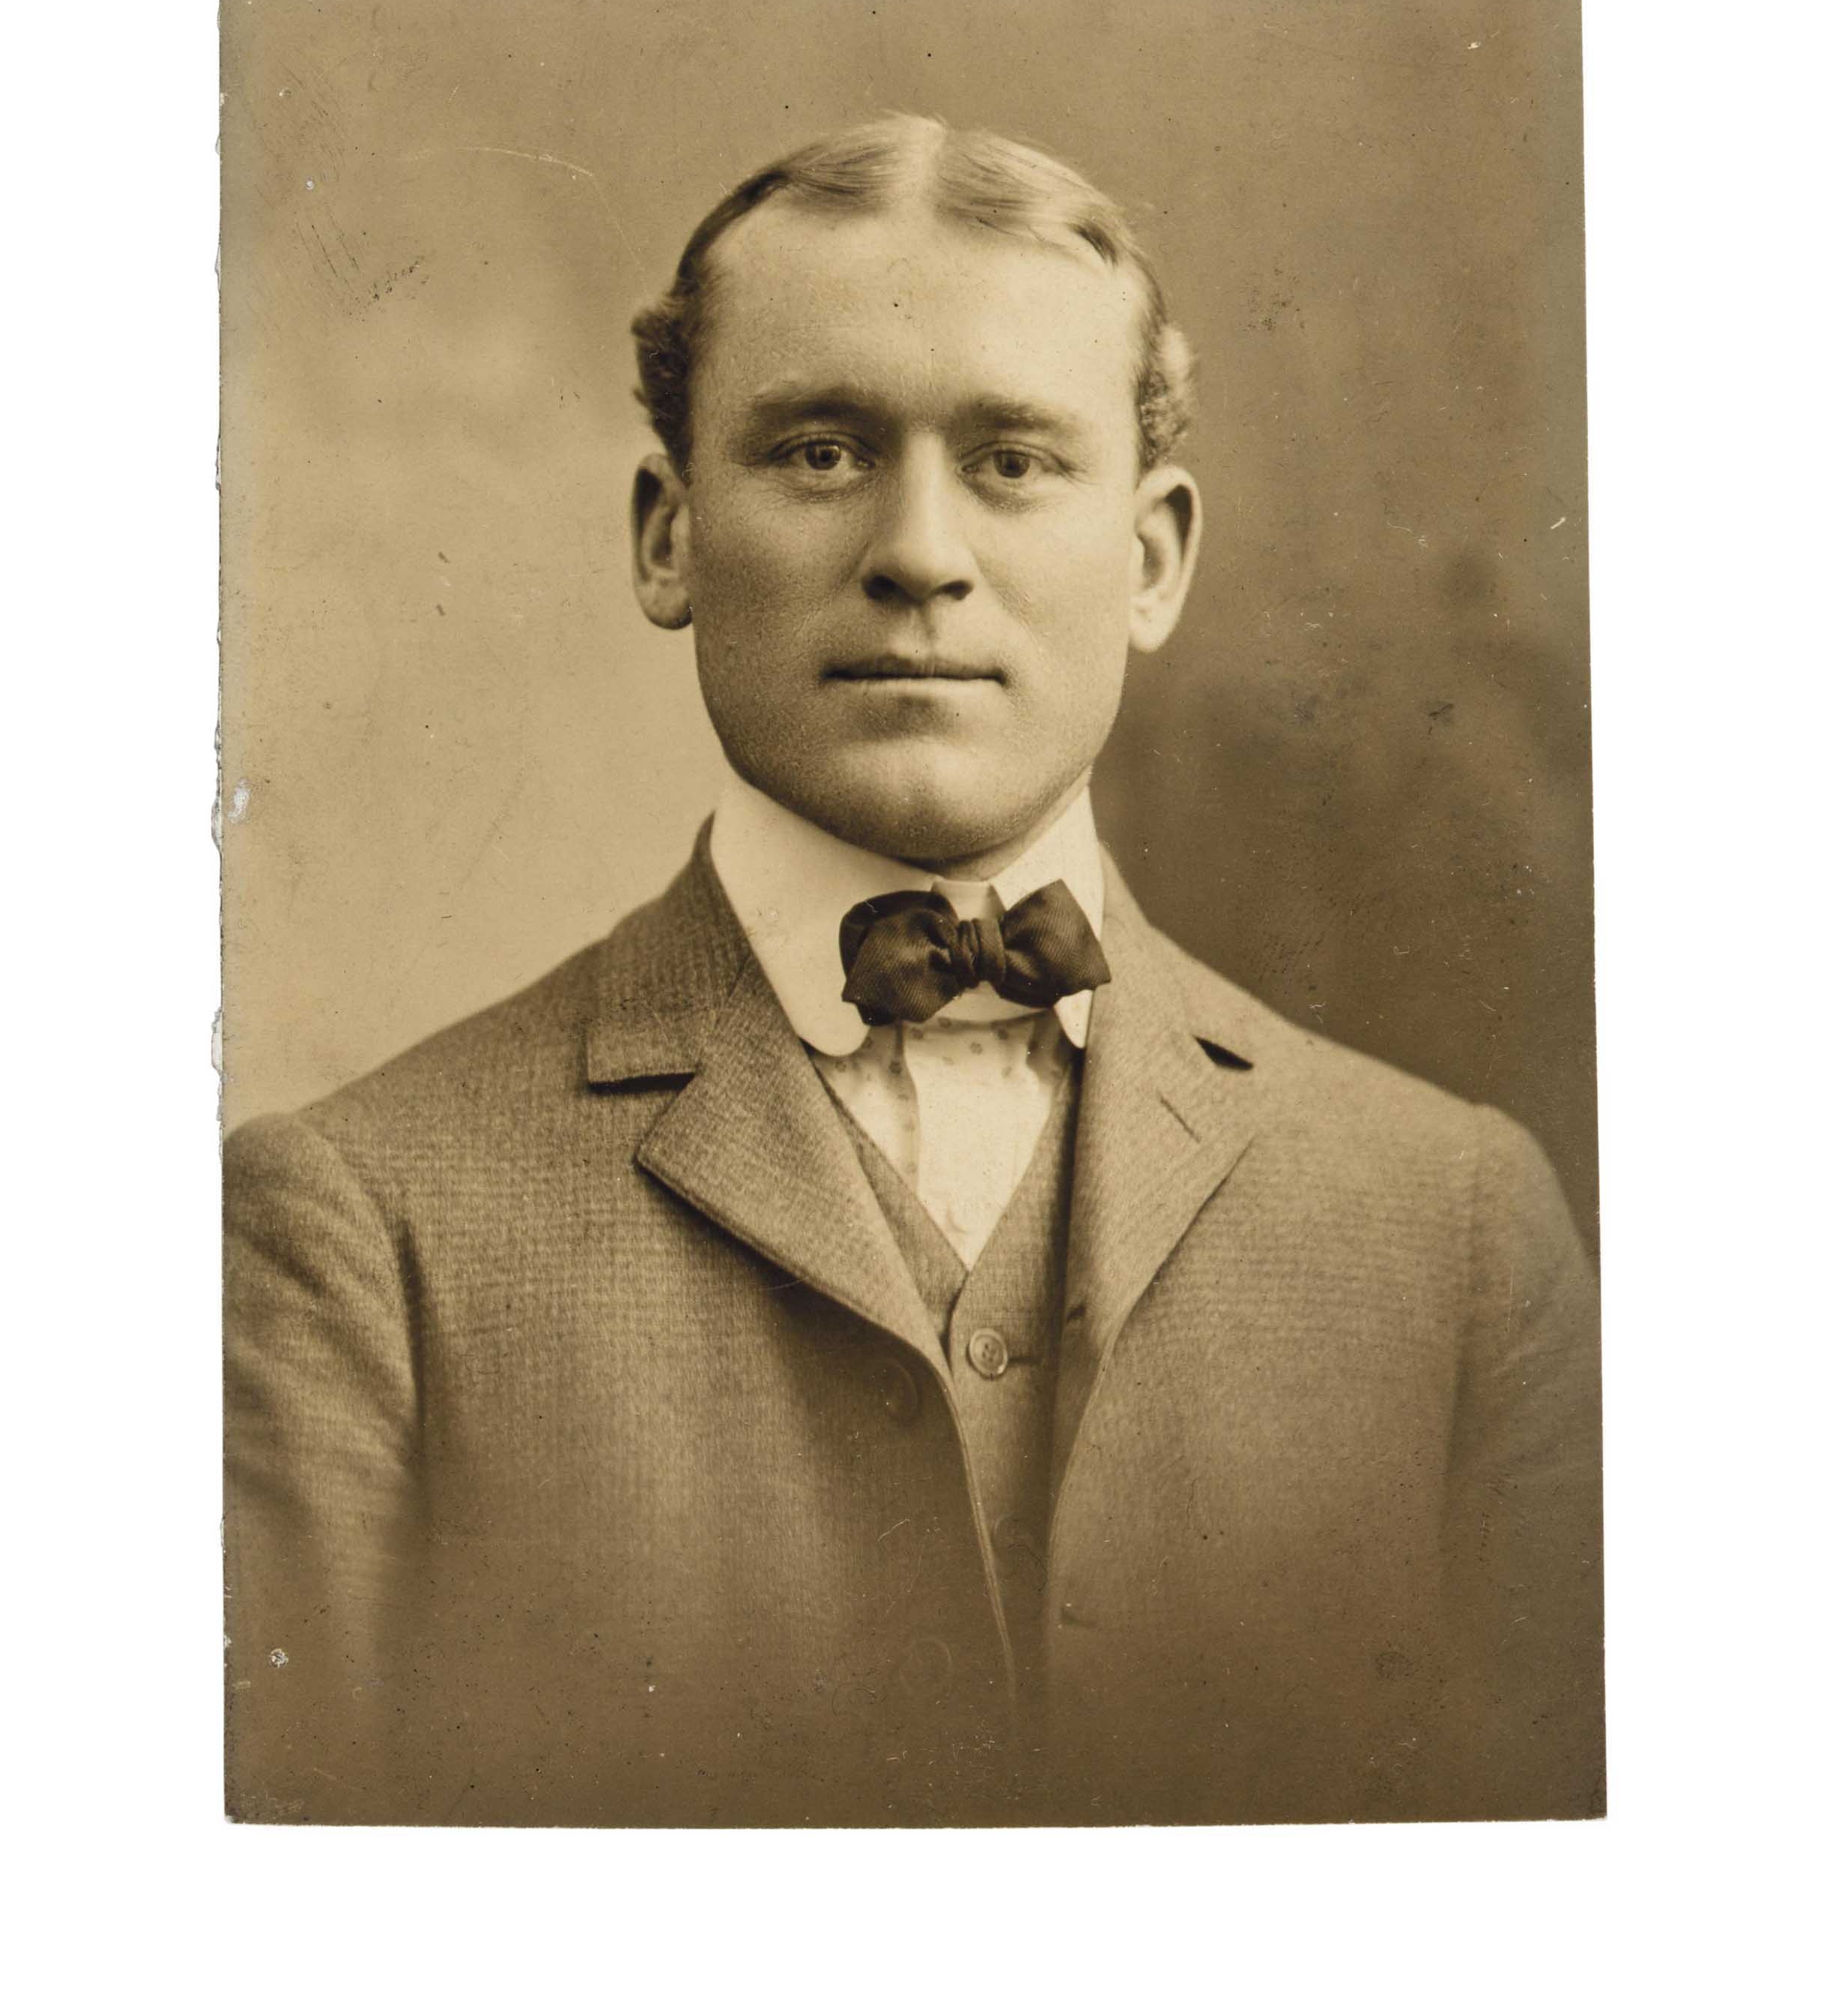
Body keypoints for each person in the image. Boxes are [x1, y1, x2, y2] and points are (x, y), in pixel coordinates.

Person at [225, 115, 1602, 1826]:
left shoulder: (1458, 1229)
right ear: (666, 534)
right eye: (818, 450)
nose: (920, 551)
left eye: (1017, 460)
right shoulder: (355, 1234)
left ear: (1153, 556)